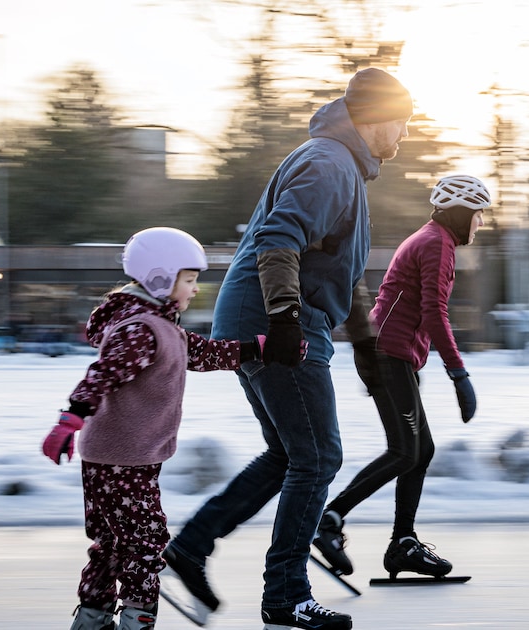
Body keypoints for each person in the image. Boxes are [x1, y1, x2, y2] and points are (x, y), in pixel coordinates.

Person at [159, 67, 414, 630]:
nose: (405, 134)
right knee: (319, 456)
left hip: (270, 315)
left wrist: (366, 344)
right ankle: (285, 594)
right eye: (403, 120)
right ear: (377, 116)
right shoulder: (328, 164)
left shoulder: (343, 167)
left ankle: (192, 546)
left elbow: (342, 272)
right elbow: (279, 240)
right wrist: (284, 319)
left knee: (289, 453)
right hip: (273, 317)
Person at [41, 227, 271, 630]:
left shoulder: (160, 326)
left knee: (112, 543)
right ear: (160, 278)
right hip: (123, 459)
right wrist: (69, 420)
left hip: (116, 456)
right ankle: (137, 620)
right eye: (190, 279)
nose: (195, 290)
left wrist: (258, 349)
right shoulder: (140, 330)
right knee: (147, 545)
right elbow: (103, 375)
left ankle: (93, 618)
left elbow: (202, 353)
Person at [313, 175, 487, 580]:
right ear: (461, 214)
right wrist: (458, 371)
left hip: (392, 357)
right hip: (388, 356)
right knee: (404, 451)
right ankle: (330, 520)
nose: (480, 224)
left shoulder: (433, 239)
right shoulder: (436, 244)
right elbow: (433, 313)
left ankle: (403, 544)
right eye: (478, 215)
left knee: (420, 450)